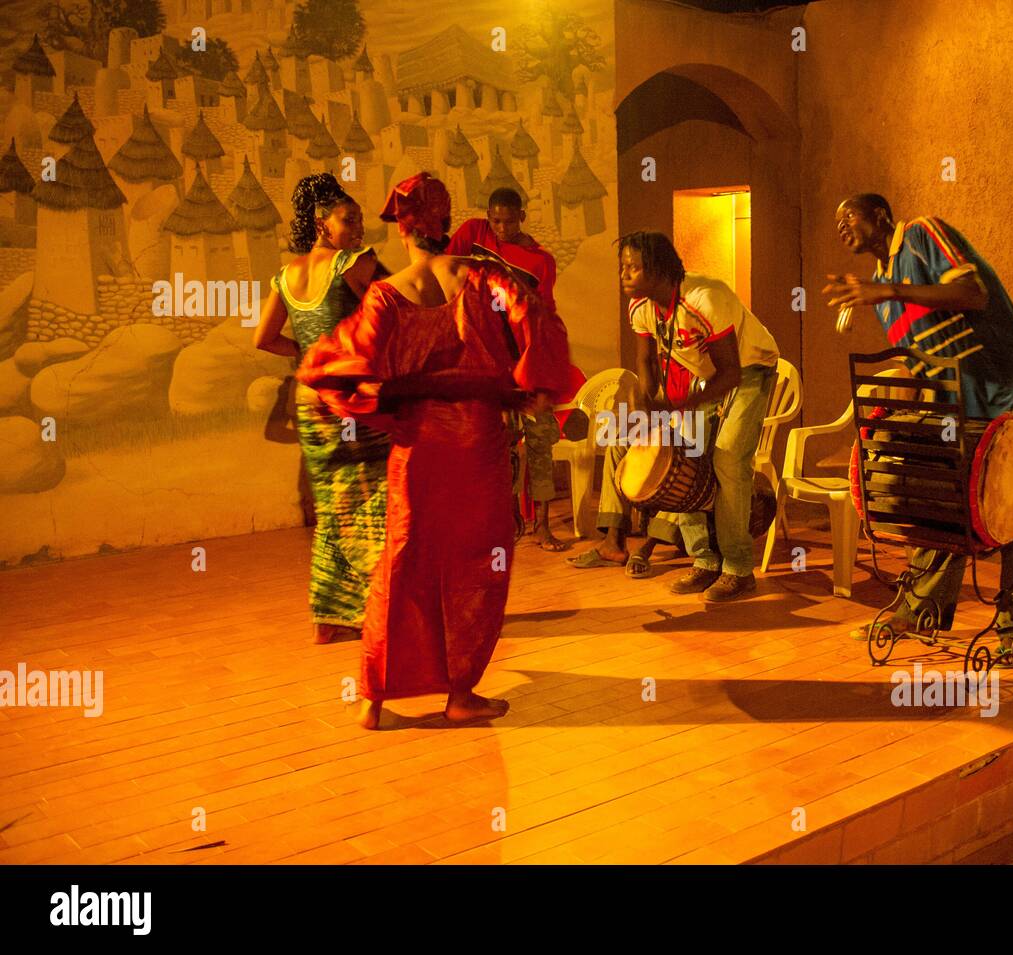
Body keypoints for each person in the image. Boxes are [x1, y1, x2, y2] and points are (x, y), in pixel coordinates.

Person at [298, 173, 571, 728]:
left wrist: (385, 403)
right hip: (475, 447)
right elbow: (536, 319)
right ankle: (460, 693)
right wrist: (530, 389)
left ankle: (376, 698)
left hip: (417, 450)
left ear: (402, 229)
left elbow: (335, 364)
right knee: (475, 568)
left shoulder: (383, 295)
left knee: (404, 564)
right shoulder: (485, 278)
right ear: (448, 223)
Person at [824, 193, 1013, 650]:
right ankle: (920, 608)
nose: (842, 226)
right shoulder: (882, 288)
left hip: (1006, 386)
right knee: (938, 502)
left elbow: (973, 294)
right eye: (836, 223)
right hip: (958, 404)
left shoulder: (922, 235)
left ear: (881, 216)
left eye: (849, 216)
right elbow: (925, 359)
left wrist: (888, 290)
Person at [568, 232, 779, 602]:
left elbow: (730, 373)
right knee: (686, 454)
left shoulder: (705, 298)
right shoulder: (642, 307)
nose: (625, 275)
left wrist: (675, 406)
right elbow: (645, 361)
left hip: (751, 369)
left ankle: (738, 569)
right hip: (705, 378)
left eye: (633, 267)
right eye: (623, 267)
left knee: (728, 458)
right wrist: (646, 404)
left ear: (660, 269)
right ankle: (704, 560)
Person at [253, 172, 389, 645]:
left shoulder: (286, 274)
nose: (357, 228)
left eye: (359, 221)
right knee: (380, 502)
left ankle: (328, 619)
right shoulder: (356, 263)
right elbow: (409, 295)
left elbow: (263, 337)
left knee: (334, 509)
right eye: (348, 220)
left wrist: (306, 354)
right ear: (321, 223)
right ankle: (384, 610)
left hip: (309, 403)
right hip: (349, 400)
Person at [446, 187, 581, 552]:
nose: (501, 228)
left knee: (540, 442)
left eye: (508, 220)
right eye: (495, 219)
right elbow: (443, 274)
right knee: (491, 444)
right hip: (482, 362)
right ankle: (498, 524)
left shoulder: (540, 261)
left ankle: (542, 526)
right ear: (487, 216)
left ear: (522, 215)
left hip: (525, 362)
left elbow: (544, 314)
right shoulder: (474, 234)